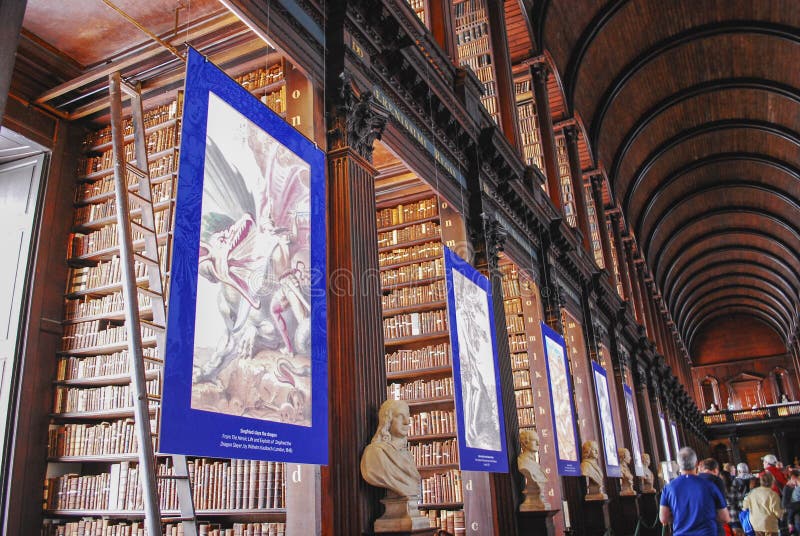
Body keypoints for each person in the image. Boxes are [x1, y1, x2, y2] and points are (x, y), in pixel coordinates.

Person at [660, 447, 730, 535]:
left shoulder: (668, 488)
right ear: (696, 464)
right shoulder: (709, 485)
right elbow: (725, 518)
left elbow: (663, 518)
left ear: (678, 465)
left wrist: (681, 517)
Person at [360, 399, 421, 498]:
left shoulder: (407, 454)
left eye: (408, 416)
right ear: (387, 420)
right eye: (400, 416)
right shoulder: (375, 453)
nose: (407, 422)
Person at [517, 429, 550, 510]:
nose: (538, 444)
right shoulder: (523, 463)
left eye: (538, 441)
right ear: (525, 442)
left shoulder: (535, 464)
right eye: (535, 441)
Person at [742, 472, 783, 536]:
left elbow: (744, 507)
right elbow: (777, 512)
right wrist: (783, 513)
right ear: (772, 482)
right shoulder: (773, 495)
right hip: (770, 525)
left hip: (756, 524)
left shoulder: (752, 493)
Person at [699, 458, 728, 536]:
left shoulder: (695, 480)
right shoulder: (717, 481)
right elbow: (721, 506)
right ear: (715, 470)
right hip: (714, 525)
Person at [729, 463, 757, 535]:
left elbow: (734, 499)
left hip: (742, 509)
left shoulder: (735, 481)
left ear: (738, 471)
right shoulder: (754, 479)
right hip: (755, 508)